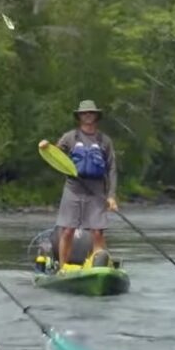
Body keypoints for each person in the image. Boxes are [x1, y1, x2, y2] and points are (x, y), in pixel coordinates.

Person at [39, 99, 118, 270]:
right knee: (67, 230)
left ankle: (98, 266)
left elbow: (111, 168)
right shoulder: (70, 137)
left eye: (91, 113)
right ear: (79, 116)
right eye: (84, 113)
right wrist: (45, 147)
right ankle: (63, 268)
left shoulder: (105, 140)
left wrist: (111, 196)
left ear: (96, 116)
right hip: (73, 187)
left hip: (97, 189)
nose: (88, 115)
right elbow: (55, 154)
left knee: (97, 231)